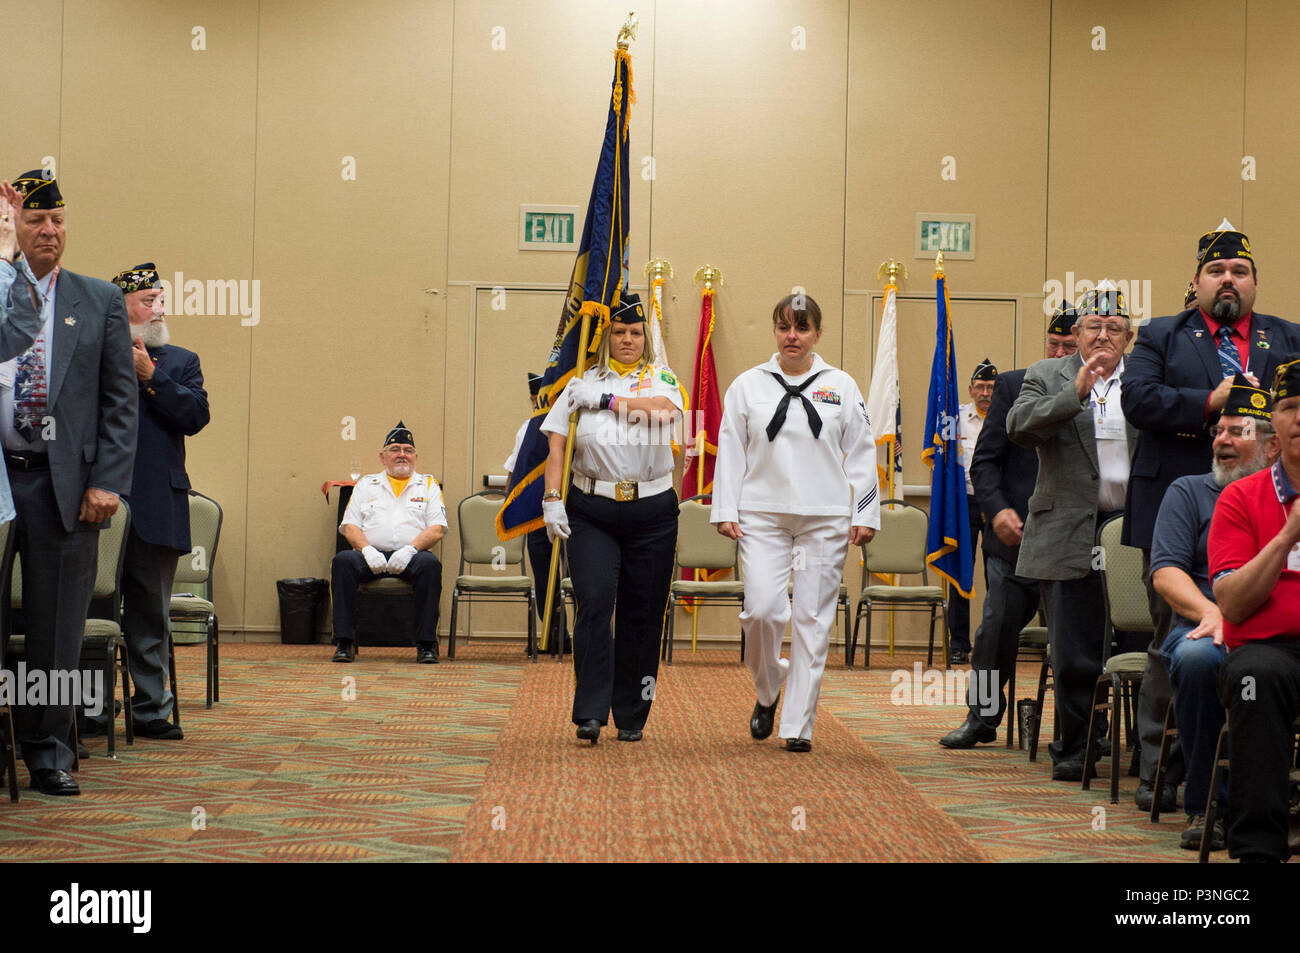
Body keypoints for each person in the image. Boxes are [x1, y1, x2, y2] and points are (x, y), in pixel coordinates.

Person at [1122, 222, 1300, 810]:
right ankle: (1160, 769)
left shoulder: (1288, 337)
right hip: (1184, 503)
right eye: (1217, 271)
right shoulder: (1162, 335)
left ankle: (1250, 784)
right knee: (1171, 642)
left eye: (1240, 272)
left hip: (1273, 506)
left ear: (1254, 283)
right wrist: (1210, 404)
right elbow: (1139, 401)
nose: (1229, 280)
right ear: (1196, 282)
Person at [3, 170, 138, 796]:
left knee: (57, 631)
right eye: (35, 220)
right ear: (16, 230)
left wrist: (107, 480)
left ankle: (49, 749)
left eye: (58, 220)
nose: (49, 230)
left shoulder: (98, 300)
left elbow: (119, 400)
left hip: (66, 486)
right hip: (1, 481)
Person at [712, 292, 879, 753]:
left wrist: (865, 511)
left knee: (812, 620)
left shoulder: (841, 385)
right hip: (762, 516)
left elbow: (863, 452)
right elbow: (730, 448)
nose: (792, 336)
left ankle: (797, 726)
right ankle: (768, 689)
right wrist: (725, 508)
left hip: (824, 518)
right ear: (775, 330)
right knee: (762, 611)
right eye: (785, 326)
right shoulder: (748, 385)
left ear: (817, 335)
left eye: (802, 328)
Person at [1007, 287, 1137, 780]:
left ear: (1129, 336)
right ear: (1077, 333)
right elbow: (1020, 427)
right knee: (1074, 647)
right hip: (1067, 527)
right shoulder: (1047, 375)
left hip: (1133, 529)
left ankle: (1146, 752)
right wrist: (1075, 393)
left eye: (1114, 328)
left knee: (1139, 640)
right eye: (1093, 327)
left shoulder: (1144, 379)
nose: (1103, 335)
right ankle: (1074, 747)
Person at [541, 293, 681, 744]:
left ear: (645, 338)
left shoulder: (661, 378)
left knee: (643, 613)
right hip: (593, 510)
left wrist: (604, 400)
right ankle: (590, 711)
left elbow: (664, 416)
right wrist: (551, 498)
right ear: (606, 336)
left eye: (635, 332)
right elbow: (558, 442)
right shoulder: (579, 382)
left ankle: (633, 712)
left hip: (653, 512)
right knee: (595, 604)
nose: (627, 339)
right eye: (619, 332)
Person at [82, 265, 209, 741]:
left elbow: (196, 416)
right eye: (148, 300)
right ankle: (91, 709)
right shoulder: (91, 355)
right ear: (121, 307)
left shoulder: (180, 360)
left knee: (150, 611)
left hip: (157, 504)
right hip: (99, 503)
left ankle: (152, 708)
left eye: (162, 300)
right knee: (93, 610)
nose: (159, 310)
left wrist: (151, 376)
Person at [939, 307, 1077, 748]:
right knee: (994, 627)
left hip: (1074, 541)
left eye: (1069, 348)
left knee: (1081, 636)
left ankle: (1088, 729)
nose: (1059, 353)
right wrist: (996, 510)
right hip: (1014, 539)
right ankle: (980, 716)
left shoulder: (1099, 393)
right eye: (1053, 345)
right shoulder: (1015, 385)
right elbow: (985, 461)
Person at [1151, 374, 1276, 852]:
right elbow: (1165, 573)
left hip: (1274, 628)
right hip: (1202, 624)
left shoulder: (1284, 498)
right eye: (1218, 431)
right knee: (1200, 660)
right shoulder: (1188, 491)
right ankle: (1210, 806)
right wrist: (1215, 613)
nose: (1222, 440)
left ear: (1270, 448)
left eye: (1237, 431)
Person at [1209, 359, 1300, 862]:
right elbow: (1233, 604)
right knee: (1256, 682)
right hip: (1268, 651)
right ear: (1274, 431)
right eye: (1290, 408)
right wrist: (1288, 534)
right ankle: (1259, 851)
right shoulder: (1241, 498)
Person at [331, 422, 446, 664]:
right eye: (395, 449)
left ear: (415, 457)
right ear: (382, 457)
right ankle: (344, 642)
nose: (402, 454)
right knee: (343, 562)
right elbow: (350, 526)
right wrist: (367, 549)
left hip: (412, 555)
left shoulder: (428, 485)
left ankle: (426, 645)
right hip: (369, 554)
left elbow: (437, 529)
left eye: (407, 450)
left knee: (430, 565)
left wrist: (410, 549)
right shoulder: (366, 484)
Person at [504, 372, 569, 655]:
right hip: (538, 515)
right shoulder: (527, 430)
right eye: (534, 401)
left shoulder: (574, 423)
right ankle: (553, 635)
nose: (538, 405)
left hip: (576, 511)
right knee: (545, 577)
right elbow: (515, 473)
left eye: (542, 399)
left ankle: (589, 636)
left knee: (580, 577)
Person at [946, 358, 997, 665]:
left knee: (997, 576)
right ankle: (959, 643)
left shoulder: (1005, 416)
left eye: (991, 387)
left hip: (994, 504)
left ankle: (992, 641)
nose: (985, 392)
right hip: (964, 502)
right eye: (980, 386)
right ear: (970, 388)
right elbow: (942, 462)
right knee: (961, 575)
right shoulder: (956, 418)